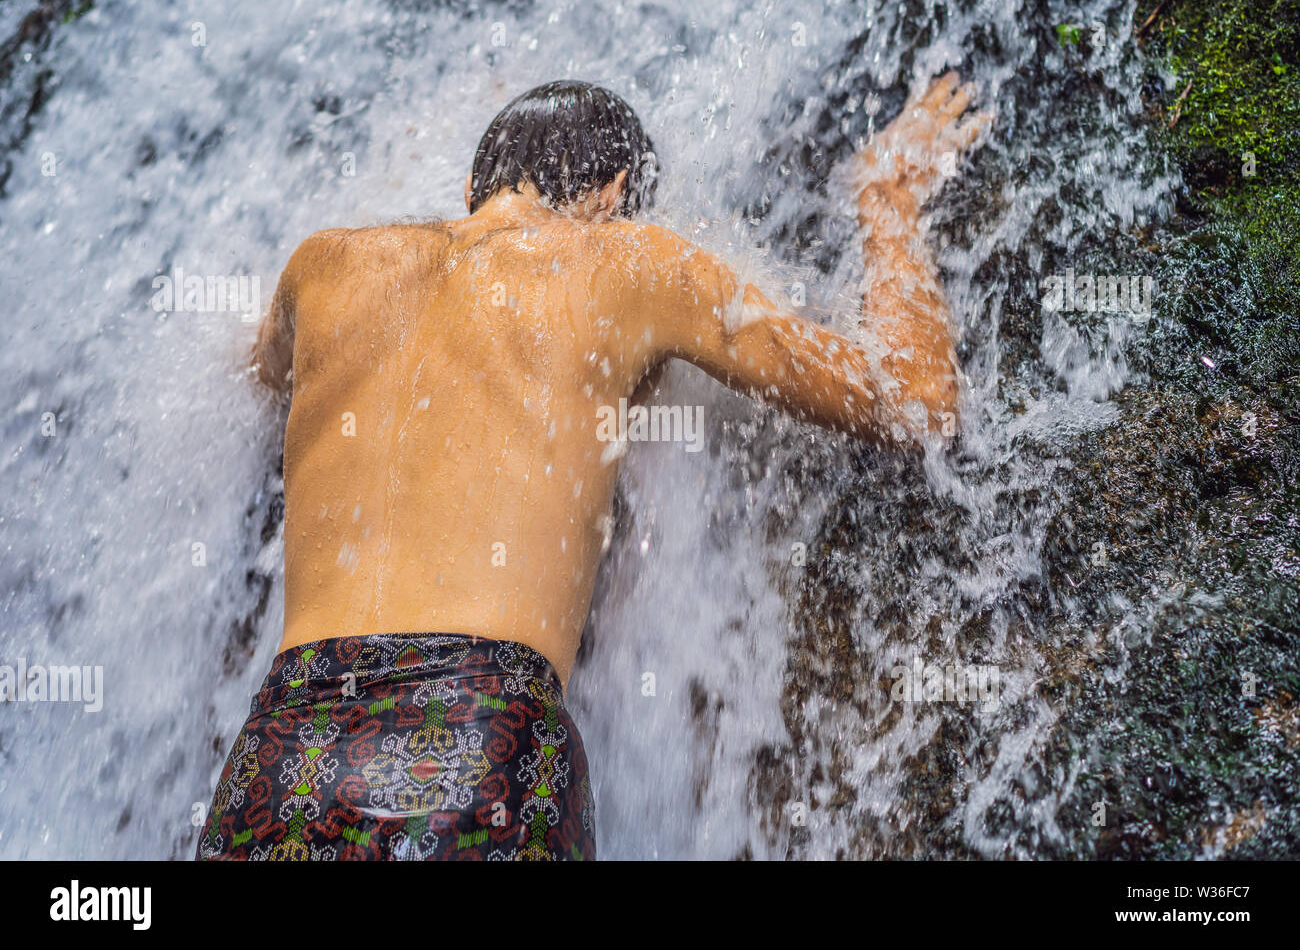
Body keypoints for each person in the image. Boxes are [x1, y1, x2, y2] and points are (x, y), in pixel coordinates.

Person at [196, 75, 988, 860]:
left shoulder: (323, 267)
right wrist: (886, 202)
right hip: (481, 744)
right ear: (614, 193)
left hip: (284, 748)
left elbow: (265, 373)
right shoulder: (632, 261)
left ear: (473, 186)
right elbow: (912, 403)